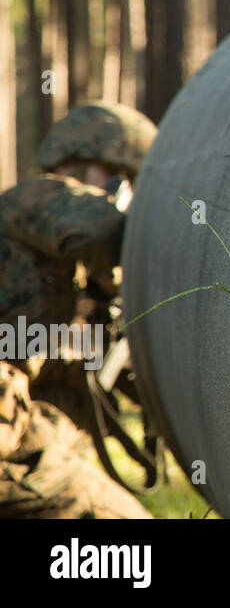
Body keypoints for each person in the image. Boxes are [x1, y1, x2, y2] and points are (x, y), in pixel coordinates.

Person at [0, 101, 158, 518]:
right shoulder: (33, 196)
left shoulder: (55, 256)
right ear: (102, 168)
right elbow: (96, 228)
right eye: (128, 181)